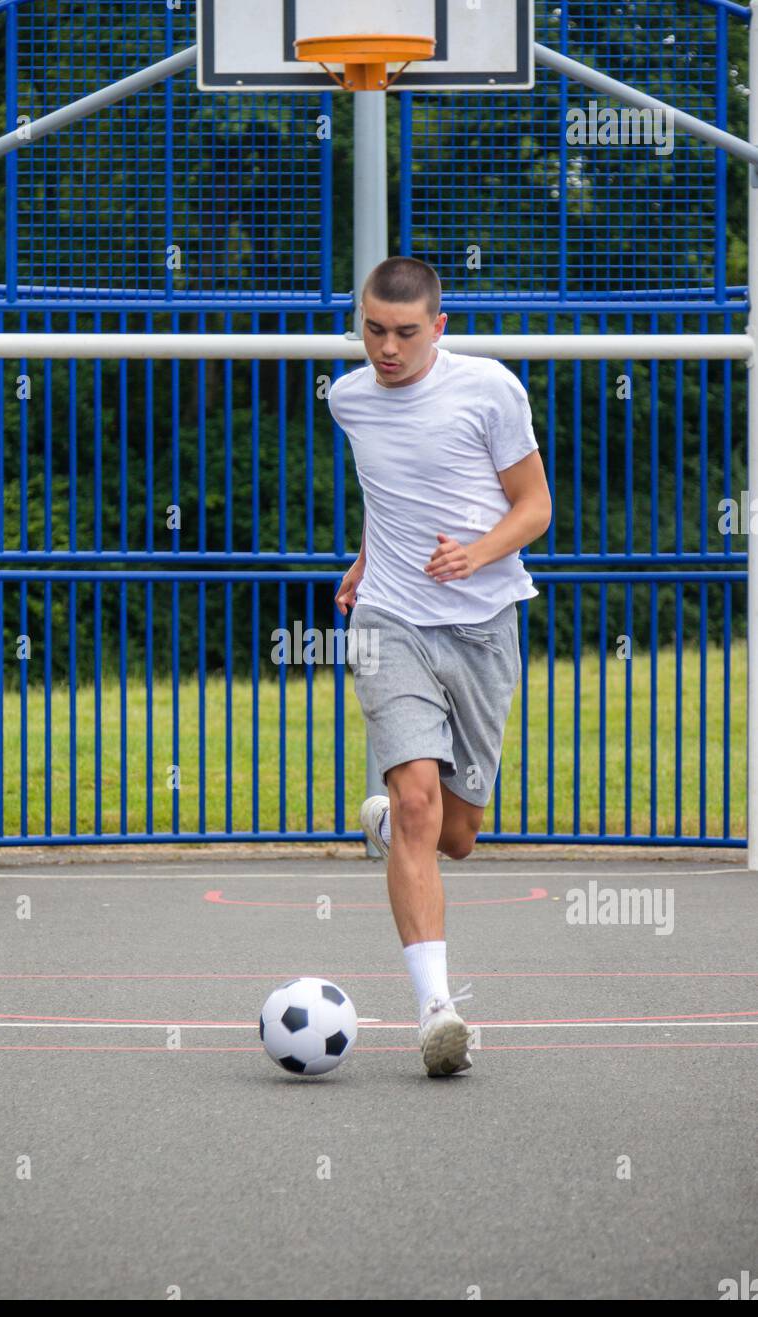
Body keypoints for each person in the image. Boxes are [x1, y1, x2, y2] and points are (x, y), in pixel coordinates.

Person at [329, 256, 551, 1077]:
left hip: (484, 626)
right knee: (419, 798)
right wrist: (364, 562)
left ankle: (386, 828)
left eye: (405, 333)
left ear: (440, 328)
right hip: (389, 621)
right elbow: (388, 492)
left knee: (455, 836)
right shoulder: (347, 398)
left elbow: (535, 506)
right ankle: (436, 1012)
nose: (386, 348)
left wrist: (477, 555)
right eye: (373, 330)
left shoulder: (490, 389)